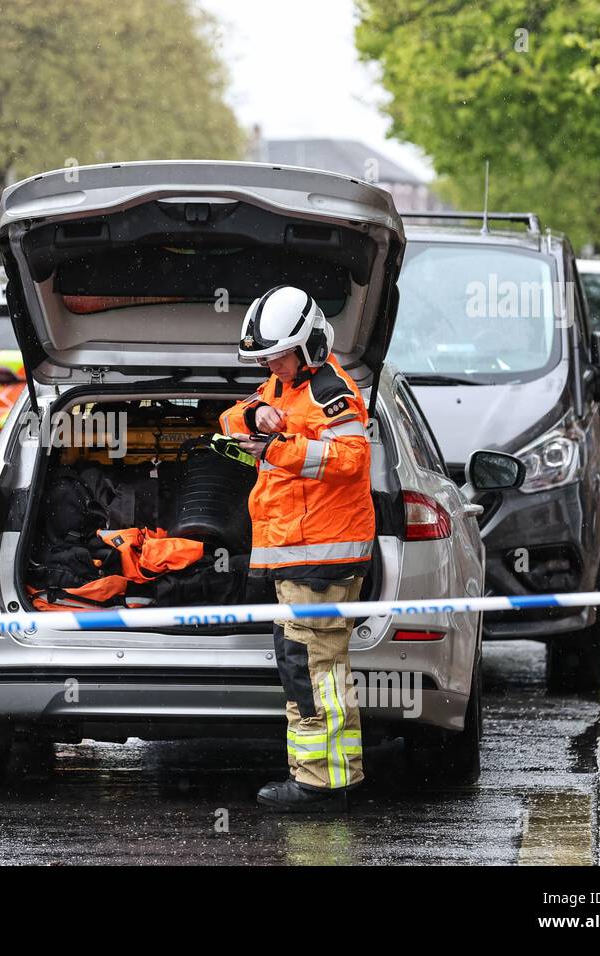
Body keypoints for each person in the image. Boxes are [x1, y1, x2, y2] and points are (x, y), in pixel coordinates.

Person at [219, 285, 374, 813]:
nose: (271, 364)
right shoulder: (284, 386)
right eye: (265, 358)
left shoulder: (331, 390)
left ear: (308, 345)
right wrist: (252, 419)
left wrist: (278, 447)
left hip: (321, 555)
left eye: (278, 354)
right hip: (301, 555)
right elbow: (231, 418)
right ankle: (336, 775)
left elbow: (352, 460)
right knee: (315, 668)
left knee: (312, 671)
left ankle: (319, 784)